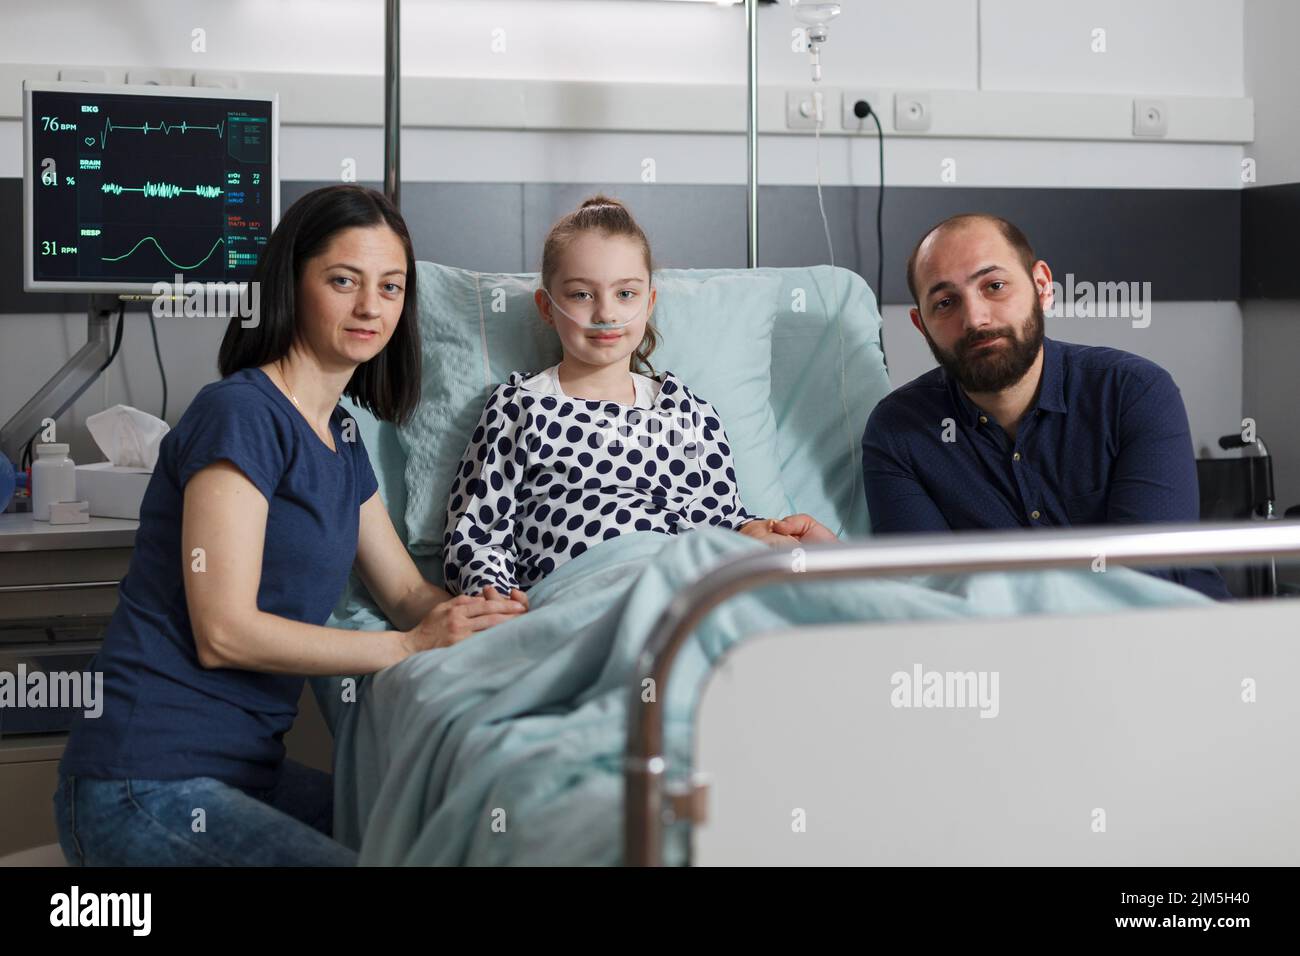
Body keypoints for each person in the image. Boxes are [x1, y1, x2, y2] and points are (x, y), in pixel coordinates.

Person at [54, 185, 529, 866]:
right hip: (143, 779)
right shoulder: (240, 414)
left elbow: (402, 592)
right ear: (291, 283)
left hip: (249, 775)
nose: (371, 306)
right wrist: (406, 648)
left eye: (391, 287)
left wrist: (488, 613)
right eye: (344, 281)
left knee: (438, 845)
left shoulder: (338, 436)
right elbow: (224, 633)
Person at [442, 194, 836, 596]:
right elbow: (477, 535)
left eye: (625, 294)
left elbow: (720, 521)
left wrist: (761, 533)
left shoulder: (688, 412)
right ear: (546, 306)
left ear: (649, 303)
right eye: (581, 294)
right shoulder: (521, 406)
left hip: (680, 586)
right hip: (577, 592)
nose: (607, 313)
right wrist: (491, 599)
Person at [861, 212, 1228, 600]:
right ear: (922, 325)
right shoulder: (897, 432)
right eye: (946, 302)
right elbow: (927, 596)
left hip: (1173, 641)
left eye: (995, 286)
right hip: (1002, 657)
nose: (975, 318)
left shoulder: (1133, 393)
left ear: (1042, 286)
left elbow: (1144, 584)